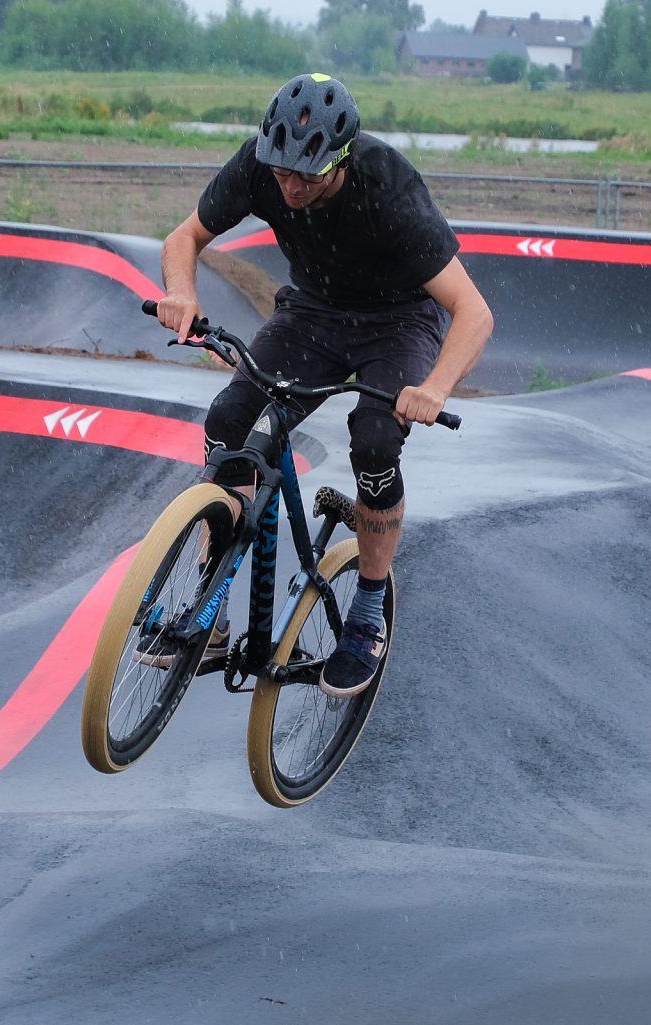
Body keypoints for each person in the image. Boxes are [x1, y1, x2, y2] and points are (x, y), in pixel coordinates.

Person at [147, 72, 493, 698]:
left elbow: (474, 312)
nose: (291, 187)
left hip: (397, 322)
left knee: (375, 440)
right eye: (282, 173)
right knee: (230, 420)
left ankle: (367, 610)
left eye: (307, 175)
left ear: (341, 158)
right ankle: (209, 600)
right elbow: (184, 237)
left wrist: (436, 387)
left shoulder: (388, 186)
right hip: (312, 313)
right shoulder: (260, 164)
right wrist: (181, 293)